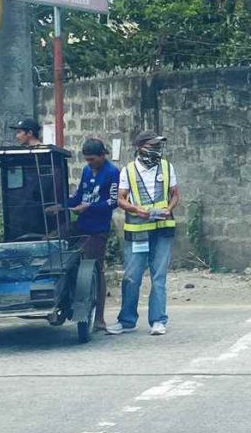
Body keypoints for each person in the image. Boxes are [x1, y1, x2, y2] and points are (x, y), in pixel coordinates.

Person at [107, 131, 180, 337]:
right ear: (140, 147)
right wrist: (135, 209)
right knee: (132, 276)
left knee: (159, 276)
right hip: (137, 231)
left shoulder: (166, 167)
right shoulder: (128, 171)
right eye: (152, 146)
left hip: (162, 228)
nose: (156, 150)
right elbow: (120, 199)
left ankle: (158, 320)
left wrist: (169, 207)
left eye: (158, 146)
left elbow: (175, 194)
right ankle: (127, 320)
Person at [63, 138, 119, 332]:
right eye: (87, 160)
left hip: (98, 228)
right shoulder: (87, 171)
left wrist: (90, 207)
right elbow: (79, 196)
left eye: (93, 159)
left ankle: (100, 318)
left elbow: (112, 202)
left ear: (102, 156)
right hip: (82, 224)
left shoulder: (112, 173)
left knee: (95, 268)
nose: (90, 163)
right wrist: (63, 205)